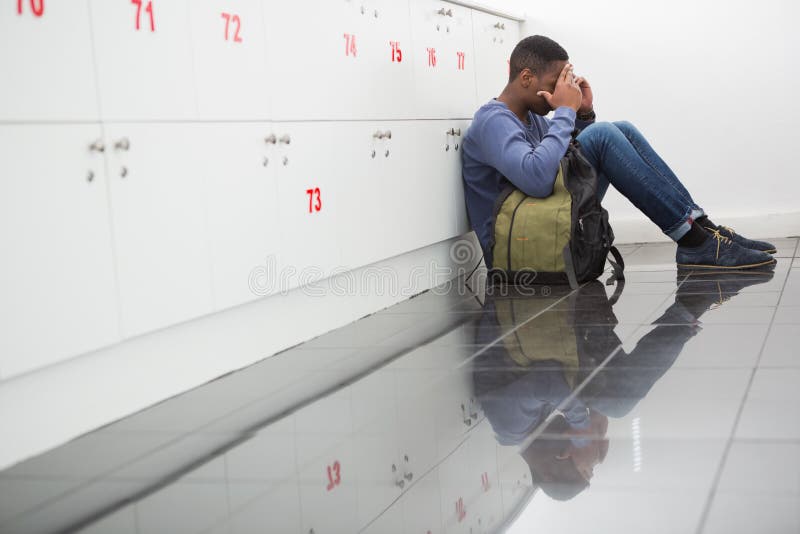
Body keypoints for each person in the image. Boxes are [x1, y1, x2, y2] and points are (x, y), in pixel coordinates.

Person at [461, 35, 777, 270]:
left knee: (618, 128)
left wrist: (582, 114)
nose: (562, 91)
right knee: (602, 136)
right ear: (527, 78)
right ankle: (692, 240)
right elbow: (538, 181)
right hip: (516, 249)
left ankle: (701, 229)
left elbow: (567, 157)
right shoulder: (492, 121)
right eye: (555, 83)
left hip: (540, 229)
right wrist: (565, 113)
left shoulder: (531, 119)